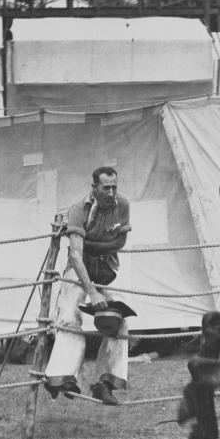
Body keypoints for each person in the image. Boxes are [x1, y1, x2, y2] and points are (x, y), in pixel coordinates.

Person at [39, 165, 136, 405]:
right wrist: (91, 292)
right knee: (70, 315)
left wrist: (90, 243)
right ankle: (61, 377)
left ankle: (105, 382)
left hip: (106, 270)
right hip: (79, 268)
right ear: (94, 188)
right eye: (106, 188)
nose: (111, 192)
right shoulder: (77, 209)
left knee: (119, 319)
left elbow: (120, 242)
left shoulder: (122, 204)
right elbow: (75, 255)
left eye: (115, 187)